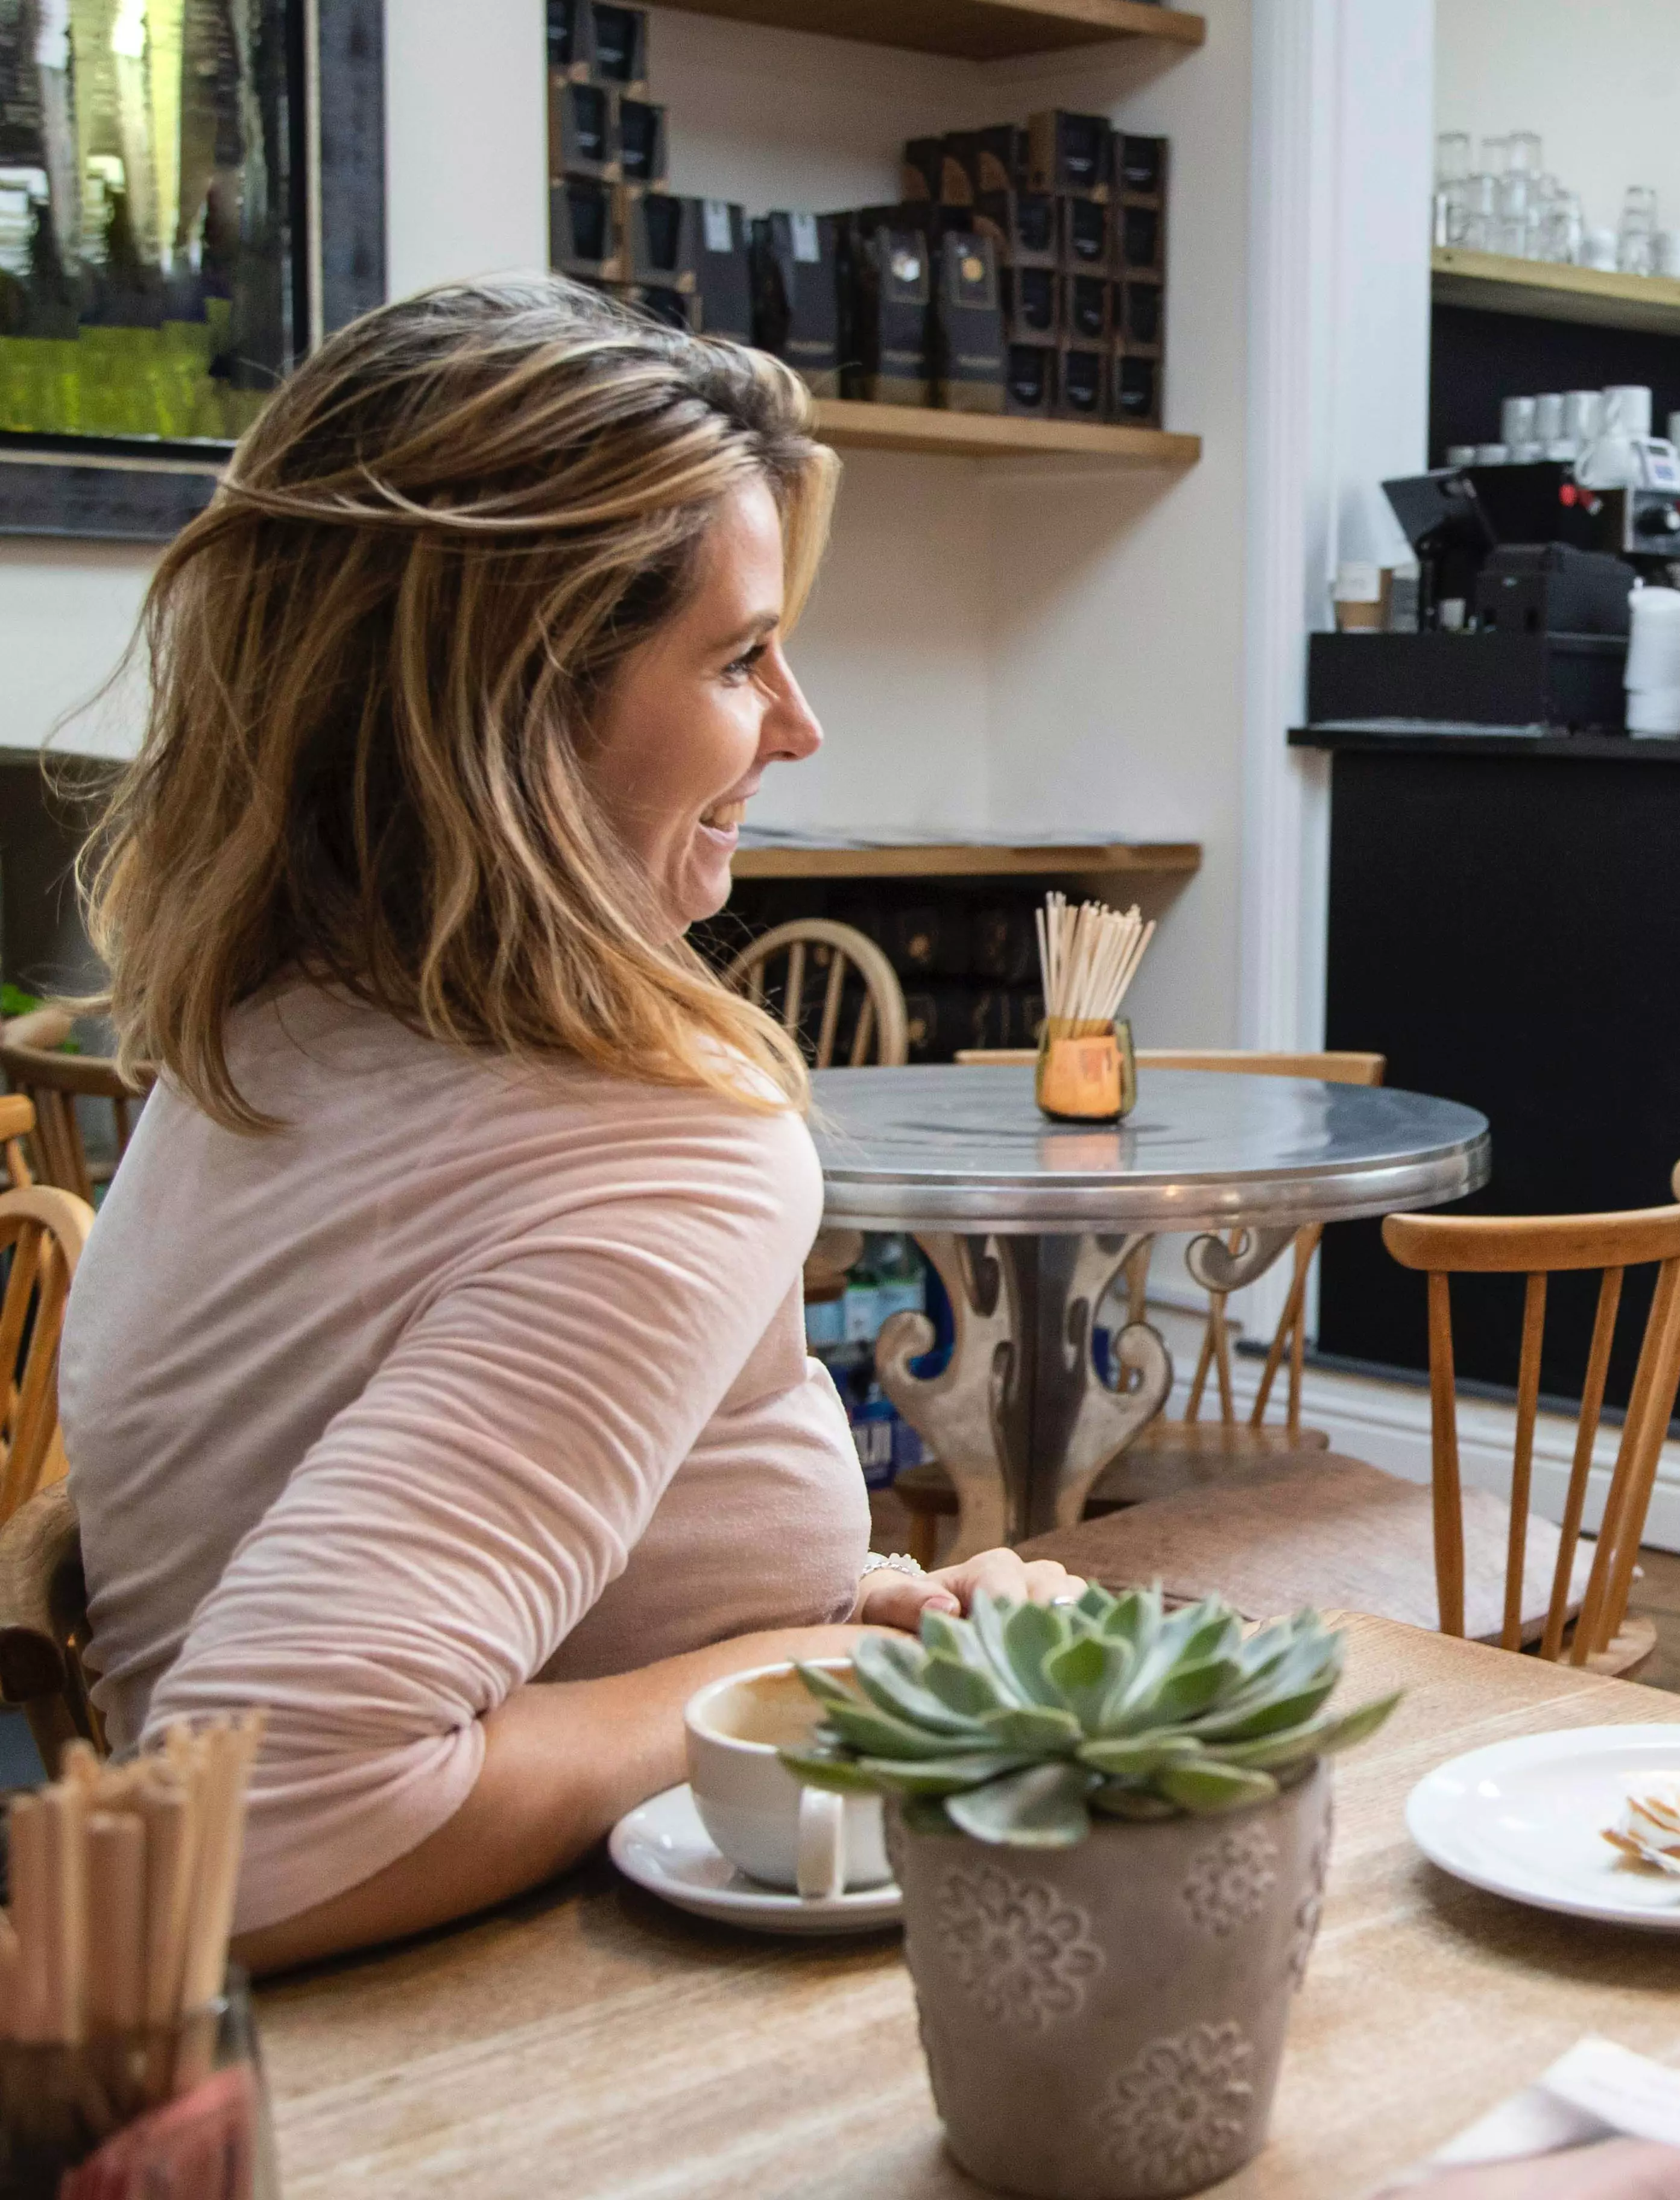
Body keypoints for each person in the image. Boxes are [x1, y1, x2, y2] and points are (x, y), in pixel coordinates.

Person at [63, 277, 1073, 1971]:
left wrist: (810, 1633)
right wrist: (831, 1681)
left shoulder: (266, 1030)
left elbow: (478, 1556)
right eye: (742, 656)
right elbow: (253, 1827)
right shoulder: (666, 1148)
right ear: (516, 718)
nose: (799, 724)